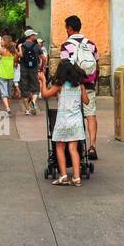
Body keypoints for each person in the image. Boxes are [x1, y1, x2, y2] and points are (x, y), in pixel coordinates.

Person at [40, 58, 88, 186]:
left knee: (60, 147)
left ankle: (64, 175)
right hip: (76, 120)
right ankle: (77, 177)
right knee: (73, 149)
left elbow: (45, 95)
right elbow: (86, 101)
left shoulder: (59, 85)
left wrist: (43, 81)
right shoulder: (80, 85)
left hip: (63, 120)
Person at [61, 15, 101, 161]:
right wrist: (92, 82)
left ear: (70, 28)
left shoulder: (66, 46)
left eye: (66, 27)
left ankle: (74, 146)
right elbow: (97, 66)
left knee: (73, 115)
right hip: (89, 85)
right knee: (90, 115)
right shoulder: (91, 44)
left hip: (73, 87)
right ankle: (92, 146)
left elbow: (64, 68)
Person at [18, 28, 43, 115]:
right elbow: (43, 58)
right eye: (34, 35)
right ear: (30, 36)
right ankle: (33, 102)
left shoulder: (21, 46)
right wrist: (42, 67)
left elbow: (19, 57)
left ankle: (28, 109)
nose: (35, 36)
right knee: (35, 88)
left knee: (24, 89)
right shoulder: (36, 46)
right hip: (34, 69)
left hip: (24, 69)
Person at [0, 33, 18, 115]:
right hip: (10, 74)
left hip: (2, 74)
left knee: (4, 93)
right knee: (8, 94)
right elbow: (17, 58)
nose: (1, 41)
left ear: (5, 41)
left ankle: (7, 108)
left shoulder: (1, 50)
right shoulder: (13, 51)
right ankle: (8, 108)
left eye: (2, 40)